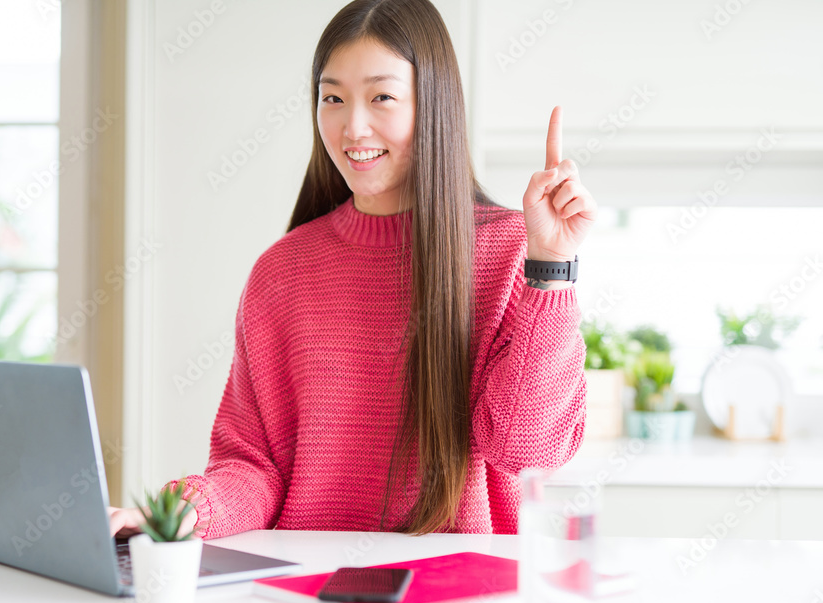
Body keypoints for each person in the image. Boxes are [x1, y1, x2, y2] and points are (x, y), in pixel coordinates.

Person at [109, 0, 595, 541]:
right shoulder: (281, 271)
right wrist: (177, 515)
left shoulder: (510, 251)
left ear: (433, 103)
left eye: (382, 97)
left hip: (461, 585)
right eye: (333, 98)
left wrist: (551, 267)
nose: (353, 127)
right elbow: (254, 467)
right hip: (309, 584)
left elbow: (525, 449)